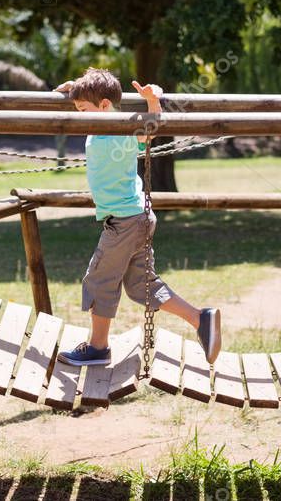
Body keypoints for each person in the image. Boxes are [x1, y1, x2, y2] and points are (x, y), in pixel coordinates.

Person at [53, 68, 222, 366]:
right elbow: (91, 91)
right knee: (142, 286)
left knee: (99, 279)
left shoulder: (118, 130)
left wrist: (152, 101)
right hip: (133, 217)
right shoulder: (100, 126)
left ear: (105, 106)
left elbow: (149, 131)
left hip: (125, 221)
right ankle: (201, 319)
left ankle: (98, 348)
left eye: (83, 109)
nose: (79, 115)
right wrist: (74, 89)